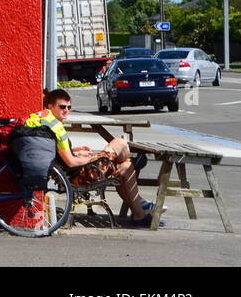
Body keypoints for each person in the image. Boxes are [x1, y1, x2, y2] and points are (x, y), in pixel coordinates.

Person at [27, 89, 157, 227]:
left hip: (76, 173)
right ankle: (126, 162)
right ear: (50, 106)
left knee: (125, 167)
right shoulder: (55, 127)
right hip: (80, 177)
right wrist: (92, 158)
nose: (66, 110)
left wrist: (76, 151)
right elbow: (70, 162)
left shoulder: (46, 123)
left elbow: (61, 153)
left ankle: (139, 215)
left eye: (69, 107)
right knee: (120, 143)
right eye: (62, 107)